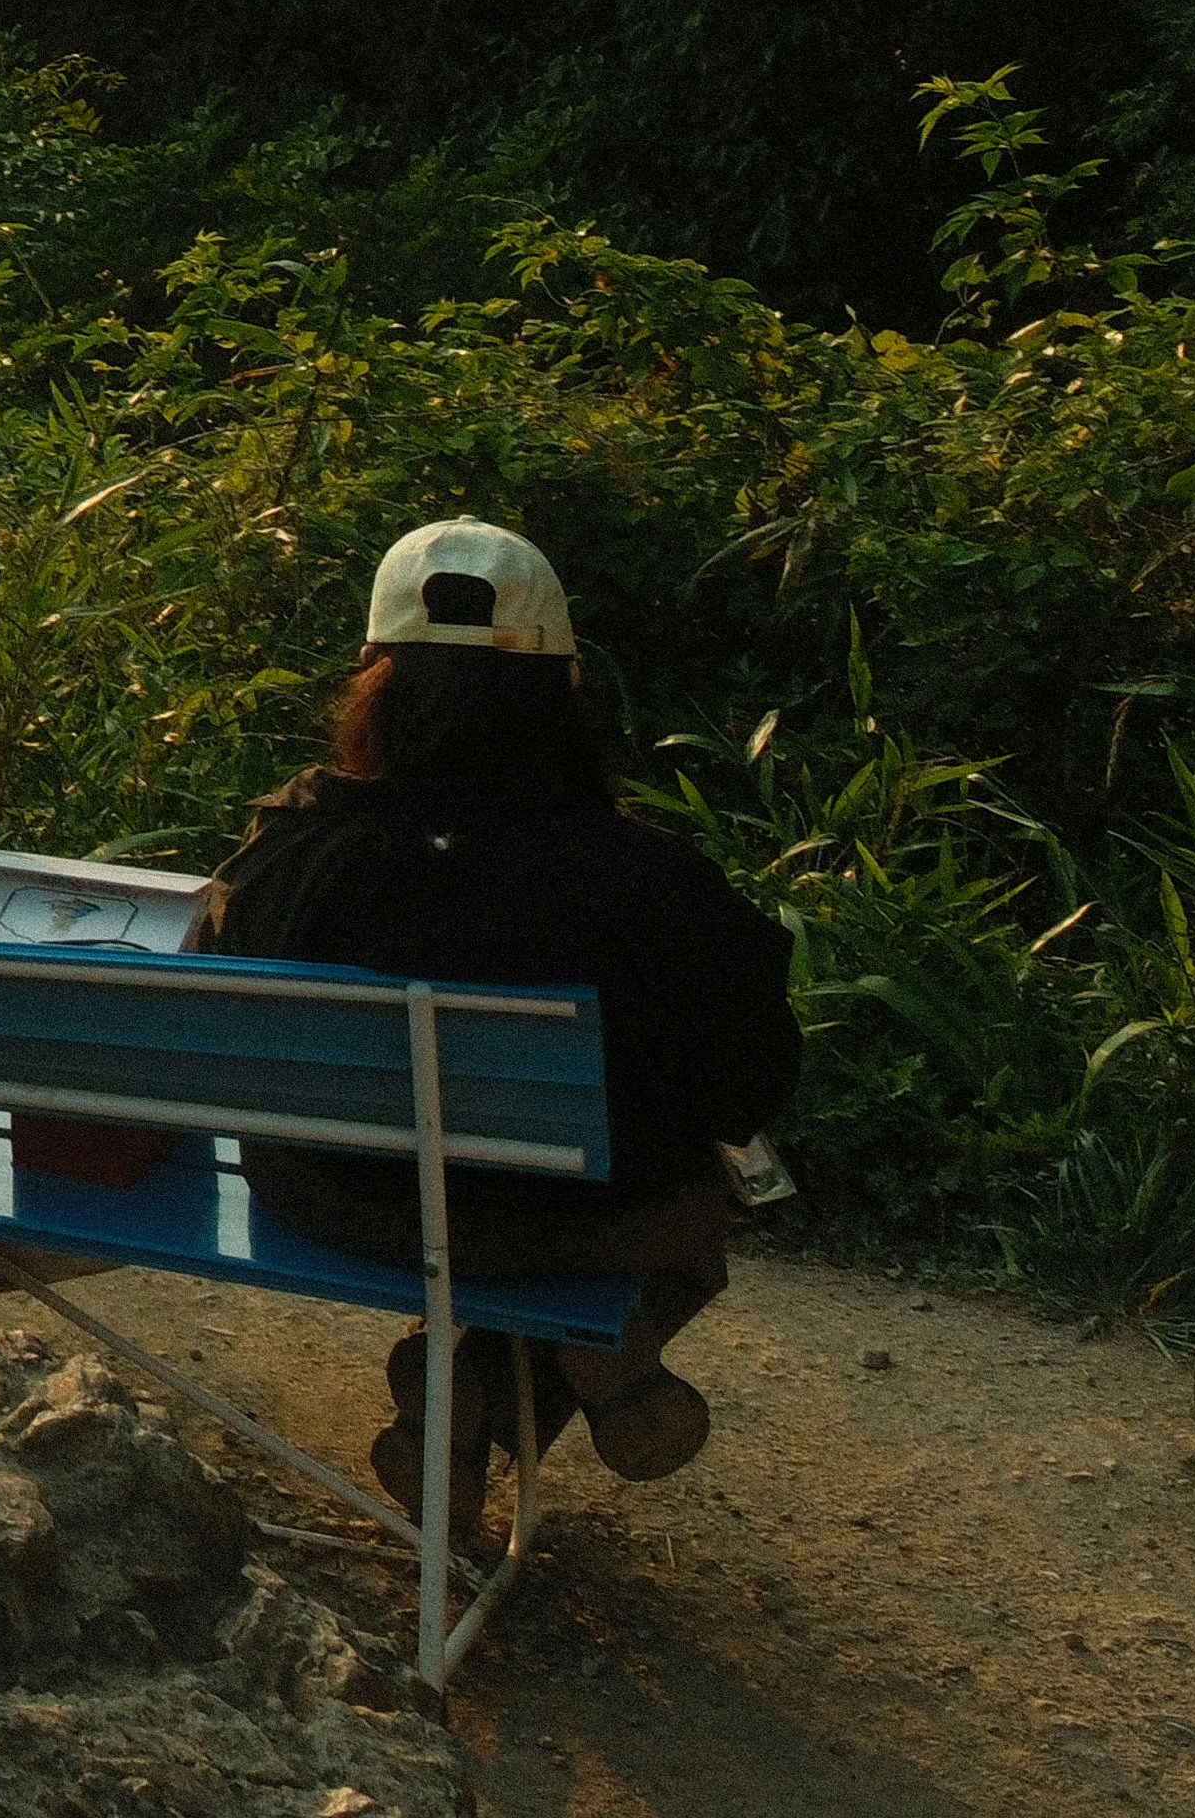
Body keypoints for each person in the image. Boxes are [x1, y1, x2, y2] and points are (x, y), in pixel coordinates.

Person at [201, 518, 799, 1524]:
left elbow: (217, 998)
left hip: (333, 1199)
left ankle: (466, 1396)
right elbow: (749, 1083)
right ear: (560, 693)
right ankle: (546, 1362)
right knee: (690, 1207)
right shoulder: (650, 880)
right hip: (569, 1225)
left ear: (376, 686)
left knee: (516, 1212)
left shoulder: (290, 845)